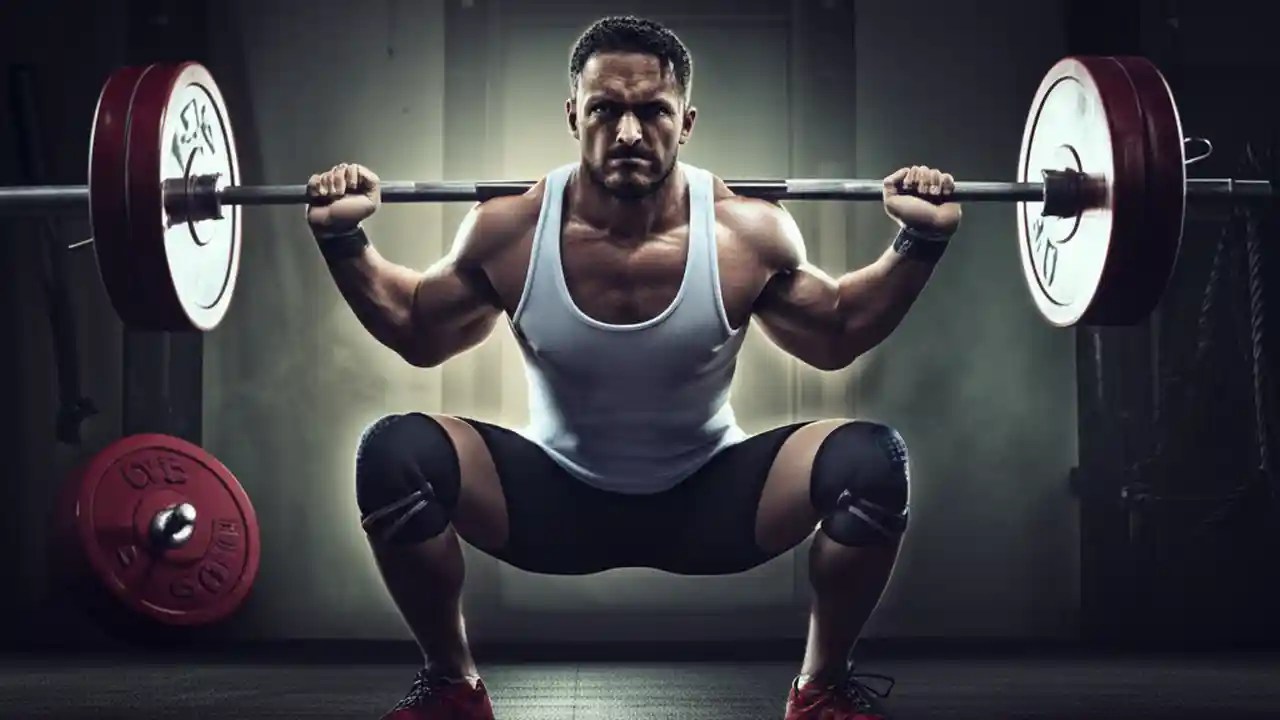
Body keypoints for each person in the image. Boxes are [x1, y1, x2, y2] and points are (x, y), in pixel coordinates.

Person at [304, 14, 959, 720]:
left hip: (711, 502)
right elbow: (418, 330)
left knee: (871, 462)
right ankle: (450, 688)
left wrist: (918, 241)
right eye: (605, 110)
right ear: (573, 115)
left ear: (686, 121)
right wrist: (344, 238)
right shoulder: (513, 229)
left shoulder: (744, 232)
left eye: (651, 111)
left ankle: (820, 688)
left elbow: (834, 335)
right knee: (395, 452)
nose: (626, 133)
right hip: (552, 503)